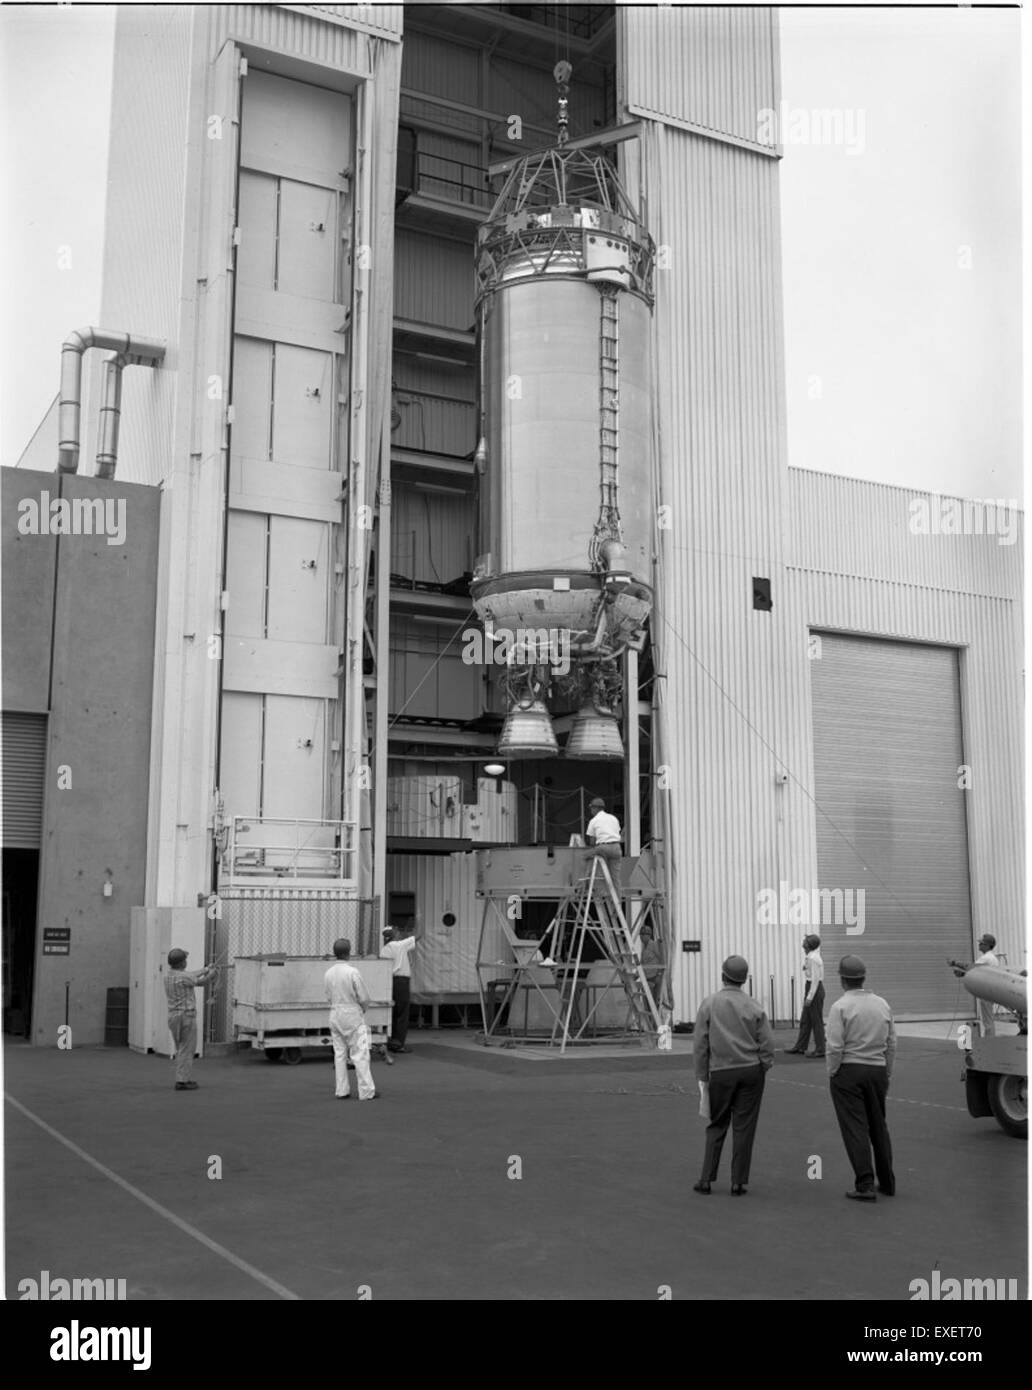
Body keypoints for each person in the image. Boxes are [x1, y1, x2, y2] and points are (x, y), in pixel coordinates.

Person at [692, 954, 775, 1196]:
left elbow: (700, 1043)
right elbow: (767, 1042)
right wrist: (764, 1065)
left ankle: (706, 1179)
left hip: (720, 1071)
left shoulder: (709, 1004)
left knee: (717, 1124)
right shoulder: (754, 1005)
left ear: (722, 976)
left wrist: (702, 1075)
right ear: (744, 980)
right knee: (744, 1126)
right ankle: (738, 1182)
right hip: (750, 1070)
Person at [827, 955, 896, 1201]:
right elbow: (891, 1042)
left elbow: (835, 1046)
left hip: (849, 1070)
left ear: (843, 980)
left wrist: (833, 1071)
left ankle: (865, 1184)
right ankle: (887, 1182)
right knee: (879, 1126)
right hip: (877, 1070)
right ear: (863, 978)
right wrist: (886, 1071)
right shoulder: (882, 1004)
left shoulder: (840, 1007)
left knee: (855, 1127)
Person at [324, 938, 377, 1101]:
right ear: (349, 952)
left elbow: (327, 996)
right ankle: (366, 1091)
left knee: (339, 1053)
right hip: (353, 1014)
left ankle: (342, 1090)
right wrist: (362, 1009)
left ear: (334, 953)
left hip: (335, 1013)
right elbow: (364, 997)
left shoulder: (328, 973)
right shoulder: (352, 972)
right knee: (360, 1052)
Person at [164, 948, 218, 1091]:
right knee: (186, 1050)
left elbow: (190, 975)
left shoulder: (169, 976)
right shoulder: (183, 977)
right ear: (182, 962)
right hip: (186, 1016)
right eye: (185, 959)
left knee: (181, 1048)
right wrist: (211, 974)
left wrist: (205, 969)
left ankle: (182, 1078)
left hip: (173, 1017)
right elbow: (201, 982)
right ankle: (182, 1081)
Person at [380, 922, 421, 1053]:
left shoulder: (384, 949)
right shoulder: (400, 945)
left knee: (393, 1011)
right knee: (403, 1012)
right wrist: (414, 927)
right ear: (394, 935)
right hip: (402, 981)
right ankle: (399, 1044)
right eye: (397, 931)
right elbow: (418, 936)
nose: (399, 933)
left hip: (390, 981)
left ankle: (392, 1040)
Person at [785, 934, 825, 1057]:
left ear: (809, 944)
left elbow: (815, 980)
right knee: (805, 1019)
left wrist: (809, 997)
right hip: (811, 988)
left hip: (814, 989)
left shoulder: (813, 958)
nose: (803, 942)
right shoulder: (810, 957)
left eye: (805, 940)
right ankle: (801, 1046)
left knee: (816, 1020)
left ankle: (820, 1049)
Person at [952, 934, 1000, 1037]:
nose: (979, 945)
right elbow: (978, 971)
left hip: (986, 991)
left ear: (987, 946)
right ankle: (989, 1040)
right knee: (988, 1019)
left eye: (981, 943)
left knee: (987, 1020)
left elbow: (971, 968)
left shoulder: (987, 958)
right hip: (990, 991)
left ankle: (990, 1042)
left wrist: (956, 964)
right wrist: (963, 973)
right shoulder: (992, 958)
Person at [585, 797, 622, 881]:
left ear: (595, 808)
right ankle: (616, 894)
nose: (591, 810)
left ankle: (583, 885)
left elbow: (592, 842)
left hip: (603, 848)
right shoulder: (613, 818)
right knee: (615, 878)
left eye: (591, 808)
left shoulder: (594, 820)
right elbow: (617, 832)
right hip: (616, 847)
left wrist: (591, 852)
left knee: (584, 856)